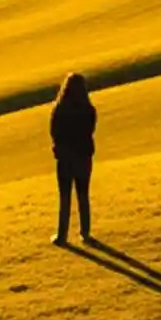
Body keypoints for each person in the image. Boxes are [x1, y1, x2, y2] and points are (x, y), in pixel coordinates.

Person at [49, 72, 96, 246]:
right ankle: (85, 233)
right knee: (83, 195)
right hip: (83, 157)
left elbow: (54, 131)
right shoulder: (88, 109)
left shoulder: (60, 109)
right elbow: (90, 129)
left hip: (66, 159)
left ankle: (62, 235)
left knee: (65, 197)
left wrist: (59, 147)